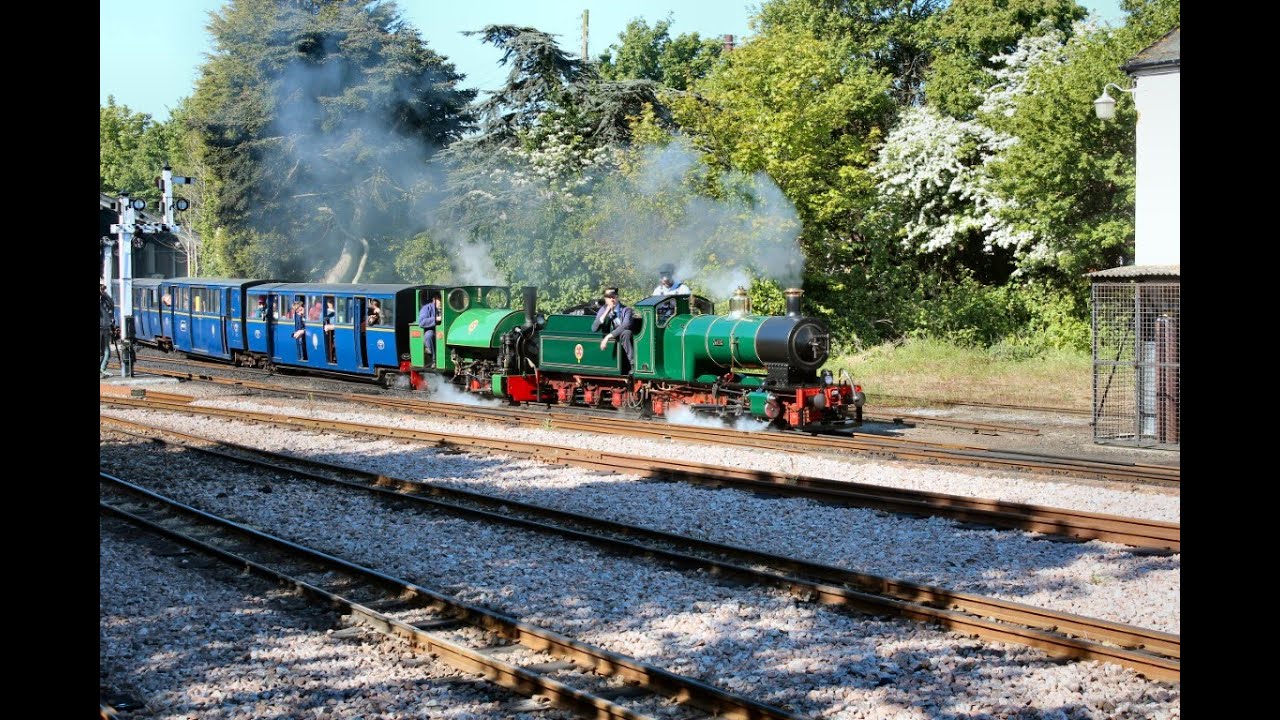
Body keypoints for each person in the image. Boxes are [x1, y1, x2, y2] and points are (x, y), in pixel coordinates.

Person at [591, 288, 635, 373]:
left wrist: (608, 337)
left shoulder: (626, 309)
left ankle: (633, 364)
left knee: (626, 333)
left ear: (617, 297)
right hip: (614, 339)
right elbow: (594, 329)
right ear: (605, 299)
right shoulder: (603, 310)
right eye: (609, 297)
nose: (612, 299)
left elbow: (626, 325)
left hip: (623, 337)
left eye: (613, 297)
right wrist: (606, 312)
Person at [417, 292, 440, 365]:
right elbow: (422, 322)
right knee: (429, 335)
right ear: (434, 299)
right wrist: (436, 319)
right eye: (440, 300)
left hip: (444, 331)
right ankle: (435, 359)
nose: (442, 302)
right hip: (432, 330)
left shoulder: (446, 309)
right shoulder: (426, 308)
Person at [100, 283, 116, 378]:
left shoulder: (105, 300)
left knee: (107, 351)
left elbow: (112, 305)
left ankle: (102, 369)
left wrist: (104, 295)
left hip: (105, 328)